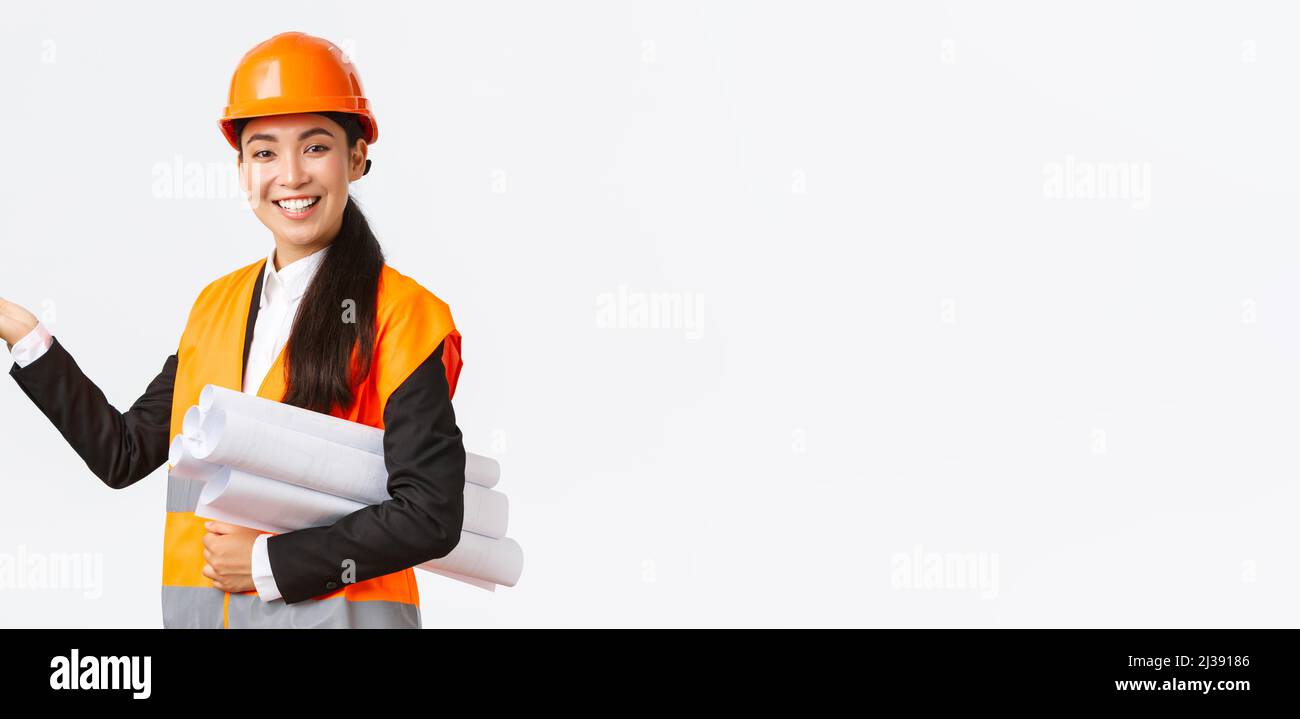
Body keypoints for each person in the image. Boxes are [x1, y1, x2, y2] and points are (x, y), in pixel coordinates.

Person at [0, 31, 467, 629]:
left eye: (316, 146)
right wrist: (25, 336)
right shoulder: (215, 307)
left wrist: (269, 562)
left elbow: (430, 513)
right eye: (265, 152)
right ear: (242, 170)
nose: (291, 175)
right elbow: (124, 453)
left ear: (355, 158)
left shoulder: (404, 315)